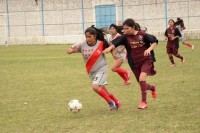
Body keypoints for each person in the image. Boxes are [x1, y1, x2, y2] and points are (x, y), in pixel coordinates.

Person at [103, 18, 157, 109]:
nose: (125, 30)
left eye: (127, 28)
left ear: (133, 27)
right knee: (141, 83)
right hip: (134, 63)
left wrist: (148, 49)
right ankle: (152, 87)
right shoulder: (125, 37)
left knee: (142, 78)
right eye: (124, 29)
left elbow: (154, 41)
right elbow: (116, 43)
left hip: (146, 60)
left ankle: (144, 102)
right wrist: (109, 48)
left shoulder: (142, 34)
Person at [67, 25, 121, 110]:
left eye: (90, 36)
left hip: (102, 68)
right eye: (86, 37)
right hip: (91, 72)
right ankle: (117, 101)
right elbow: (70, 50)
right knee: (104, 89)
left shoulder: (101, 43)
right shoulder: (82, 44)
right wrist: (71, 50)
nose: (88, 39)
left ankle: (111, 103)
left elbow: (110, 47)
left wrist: (114, 54)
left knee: (95, 86)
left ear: (95, 36)